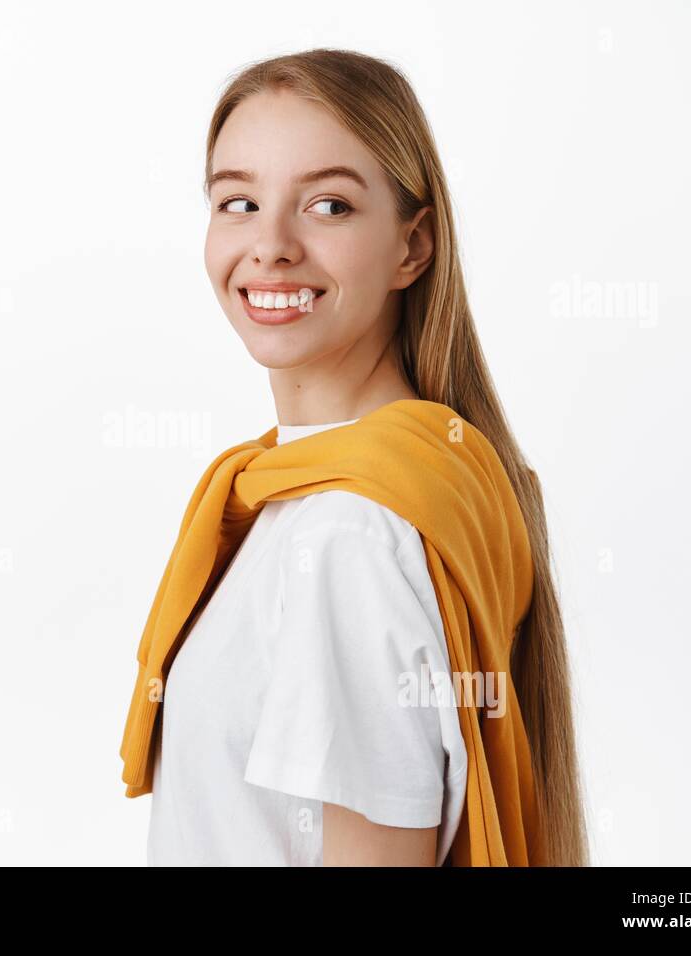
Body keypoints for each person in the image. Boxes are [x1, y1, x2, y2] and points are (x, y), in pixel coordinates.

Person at [123, 49, 588, 867]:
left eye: (328, 205)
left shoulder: (346, 534)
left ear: (413, 248)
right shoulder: (385, 486)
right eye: (238, 201)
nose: (270, 245)